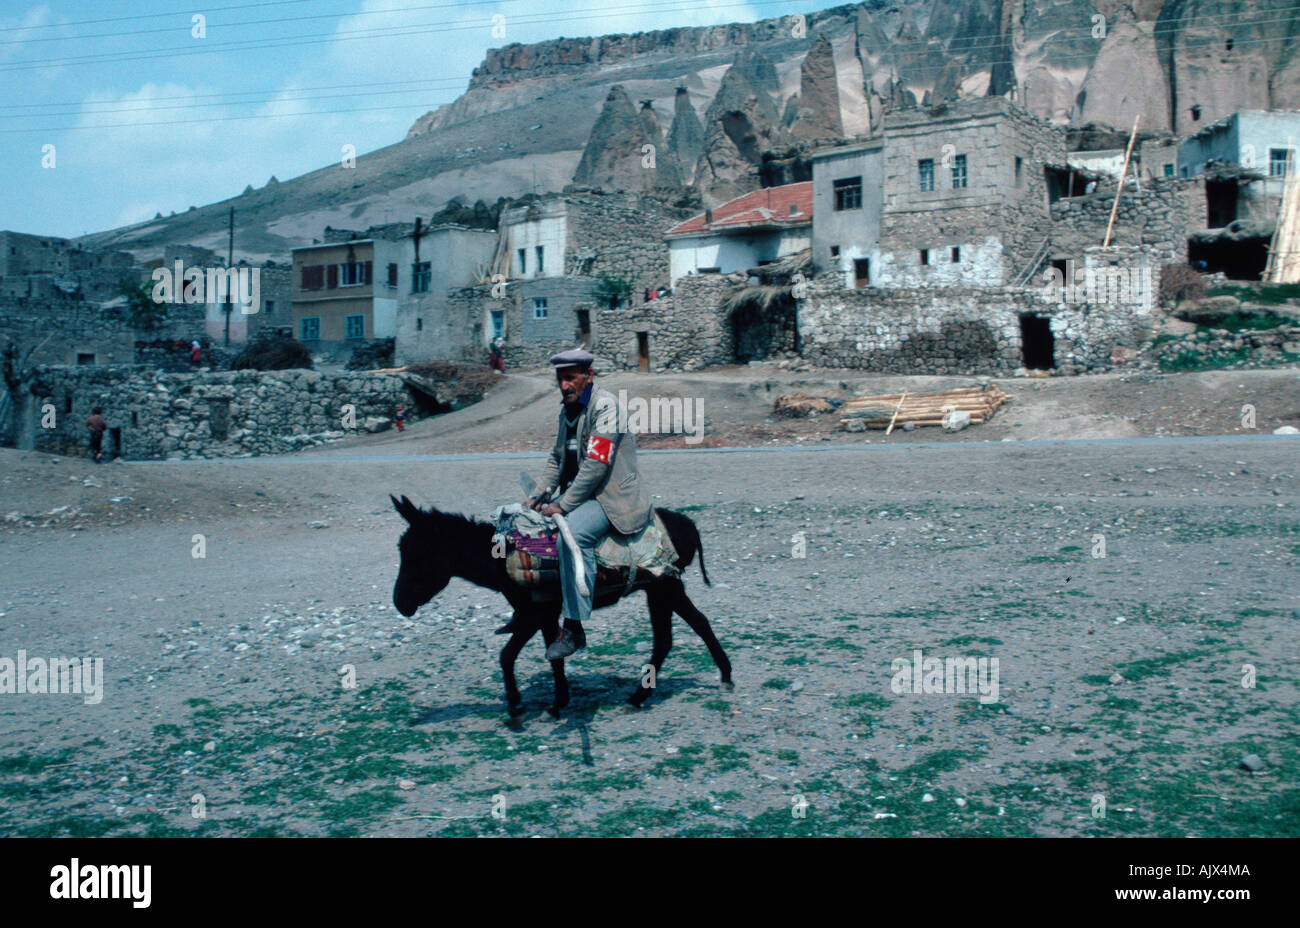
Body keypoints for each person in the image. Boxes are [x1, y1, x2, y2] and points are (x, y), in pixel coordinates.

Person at [523, 349, 653, 659]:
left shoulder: (606, 407)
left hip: (611, 496)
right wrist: (539, 494)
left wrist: (562, 505)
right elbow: (558, 457)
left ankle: (574, 627)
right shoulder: (567, 410)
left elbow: (596, 464)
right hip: (582, 492)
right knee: (528, 530)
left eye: (570, 378)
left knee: (574, 537)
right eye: (560, 380)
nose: (564, 386)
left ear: (588, 376)